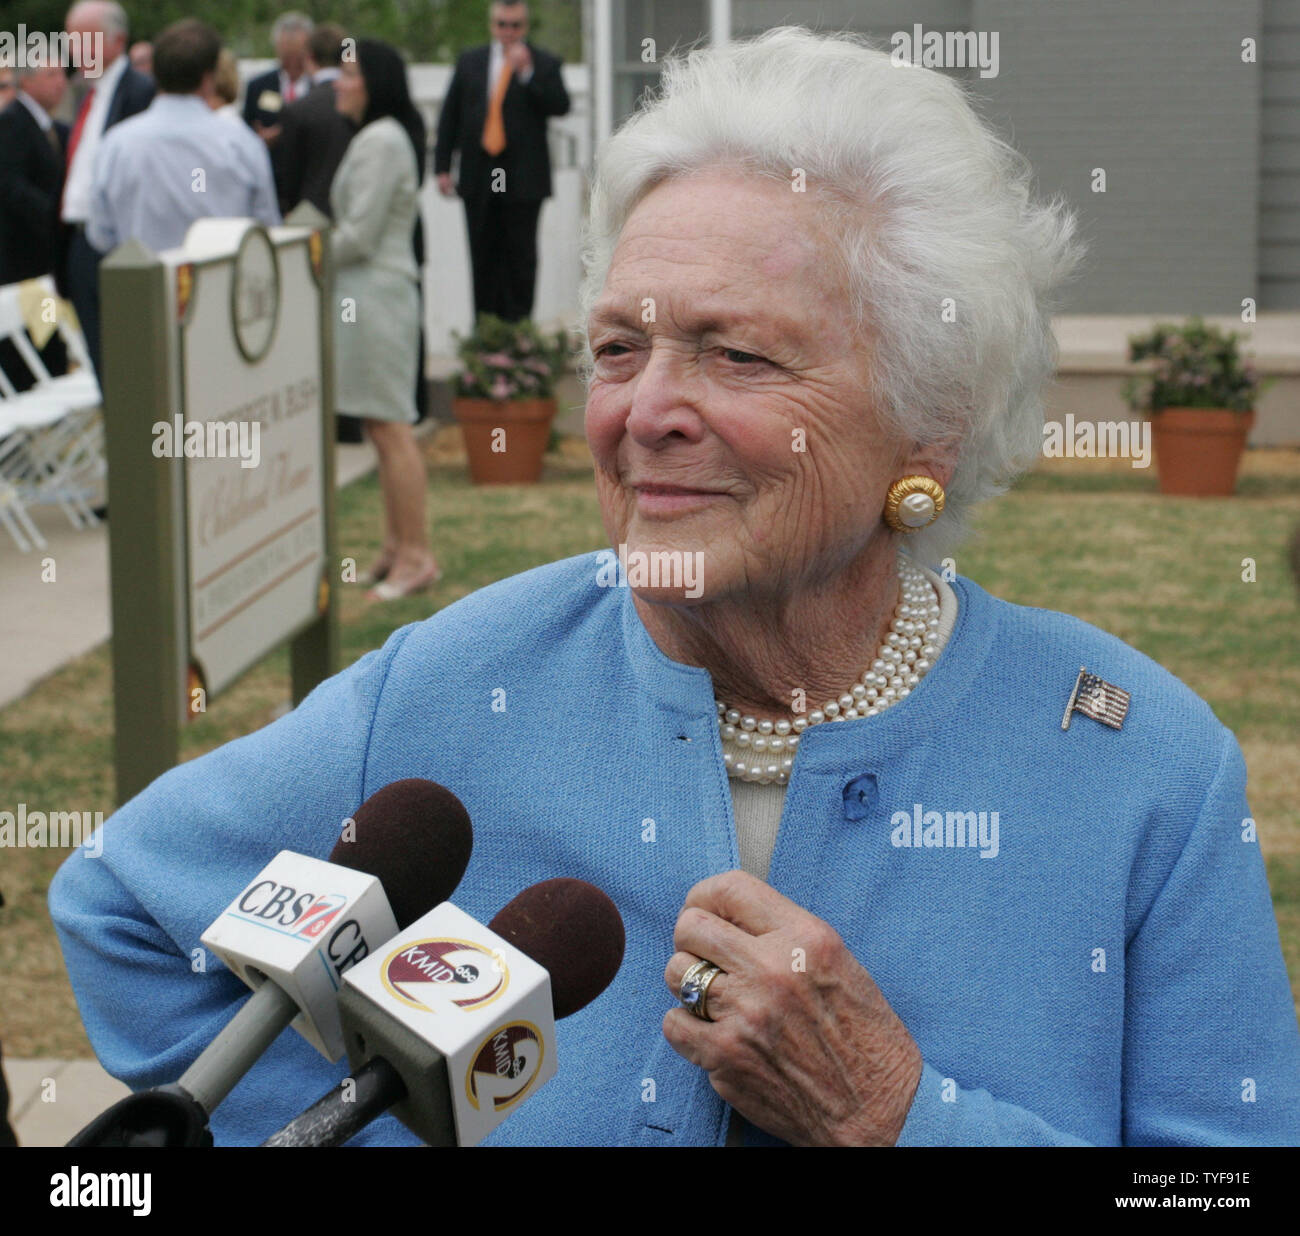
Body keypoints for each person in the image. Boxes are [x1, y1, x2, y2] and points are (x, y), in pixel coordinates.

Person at [49, 27, 1300, 1147]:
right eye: (616, 349)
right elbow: (124, 911)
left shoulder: (1139, 770)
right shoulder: (459, 684)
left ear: (930, 428)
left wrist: (896, 1120)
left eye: (737, 354)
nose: (643, 412)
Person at [330, 40, 440, 600]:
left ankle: (417, 556)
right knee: (380, 427)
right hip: (369, 299)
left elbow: (358, 236)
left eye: (347, 73)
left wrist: (303, 246)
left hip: (376, 298)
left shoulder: (381, 139)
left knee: (393, 429)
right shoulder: (380, 136)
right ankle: (396, 547)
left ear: (375, 80)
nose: (337, 82)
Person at [86, 20, 280, 257]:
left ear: (155, 72)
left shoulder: (116, 144)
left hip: (143, 285)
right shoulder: (242, 143)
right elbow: (266, 225)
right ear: (209, 77)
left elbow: (100, 233)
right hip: (220, 285)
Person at [433, 0, 569, 322]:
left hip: (522, 181)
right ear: (492, 25)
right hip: (479, 177)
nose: (508, 32)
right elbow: (450, 115)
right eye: (502, 25)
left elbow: (559, 105)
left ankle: (519, 341)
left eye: (515, 25)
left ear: (525, 26)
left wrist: (527, 73)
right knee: (482, 258)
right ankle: (486, 341)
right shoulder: (470, 61)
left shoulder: (544, 62)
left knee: (520, 260)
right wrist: (441, 166)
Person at [59, 0, 155, 378]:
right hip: (80, 243)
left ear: (118, 40)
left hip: (117, 243)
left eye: (85, 40)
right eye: (71, 42)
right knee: (100, 359)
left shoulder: (139, 92)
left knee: (128, 362)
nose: (76, 52)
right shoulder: (90, 95)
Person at [0, 64, 71, 391]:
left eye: (61, 75)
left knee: (50, 340)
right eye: (51, 75)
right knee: (30, 348)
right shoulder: (12, 122)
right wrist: (55, 218)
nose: (61, 83)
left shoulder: (51, 127)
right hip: (23, 263)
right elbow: (10, 186)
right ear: (25, 81)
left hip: (45, 264)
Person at [272, 23, 355, 219]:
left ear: (308, 57)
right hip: (355, 209)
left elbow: (289, 177)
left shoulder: (297, 109)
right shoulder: (360, 105)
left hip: (311, 215)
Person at [242, 10, 313, 144]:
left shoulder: (318, 86)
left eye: (297, 53)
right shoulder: (258, 86)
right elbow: (246, 131)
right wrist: (259, 140)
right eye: (286, 54)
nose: (292, 61)